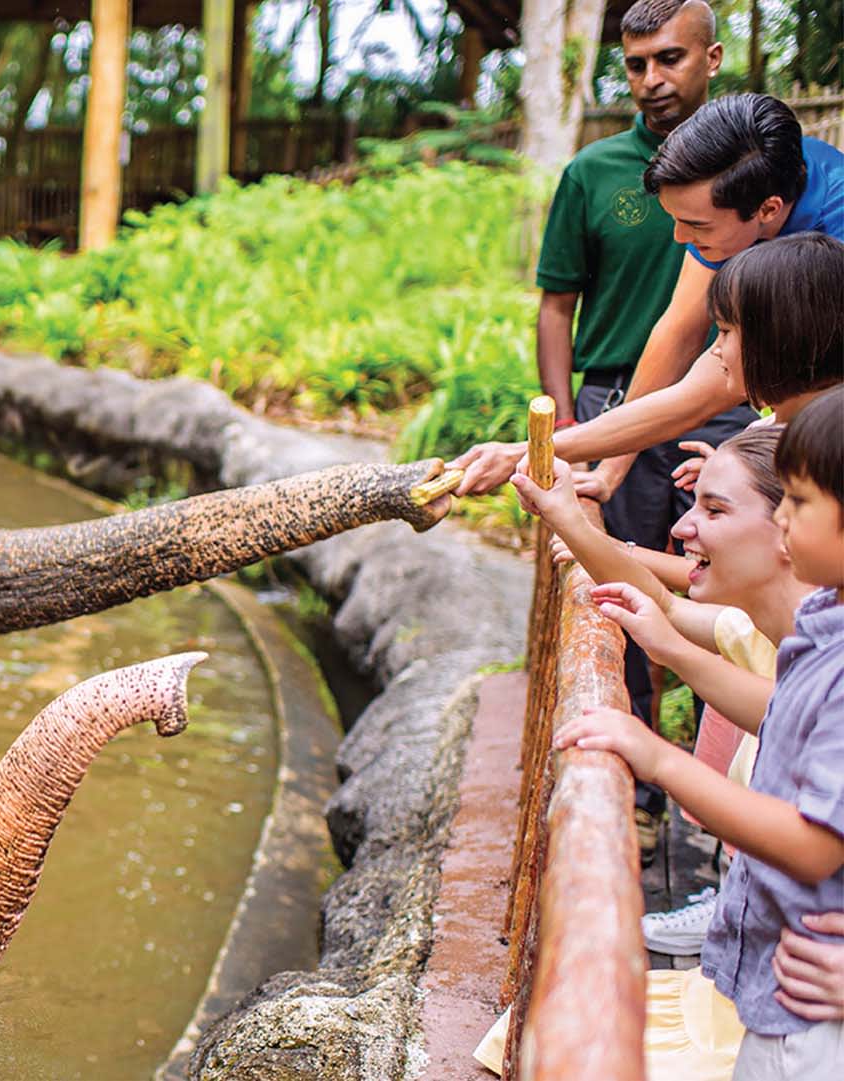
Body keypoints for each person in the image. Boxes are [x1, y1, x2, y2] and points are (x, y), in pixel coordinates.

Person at [556, 386, 844, 1078]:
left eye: (798, 504)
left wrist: (658, 757)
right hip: (776, 989)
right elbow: (781, 716)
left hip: (808, 1016)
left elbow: (814, 843)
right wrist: (669, 646)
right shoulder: (820, 627)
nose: (783, 523)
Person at [527, 0, 745, 796]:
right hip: (615, 391)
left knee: (719, 576)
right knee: (609, 586)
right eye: (636, 63)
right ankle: (629, 778)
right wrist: (573, 420)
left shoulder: (750, 166)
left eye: (672, 59)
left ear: (712, 58)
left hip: (720, 397)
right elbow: (557, 303)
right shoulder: (593, 172)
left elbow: (691, 325)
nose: (652, 79)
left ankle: (706, 770)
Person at [452, 95, 844, 497]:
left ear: (768, 210)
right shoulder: (745, 189)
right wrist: (609, 473)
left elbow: (713, 388)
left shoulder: (831, 238)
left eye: (694, 225)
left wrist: (532, 450)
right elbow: (678, 333)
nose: (680, 239)